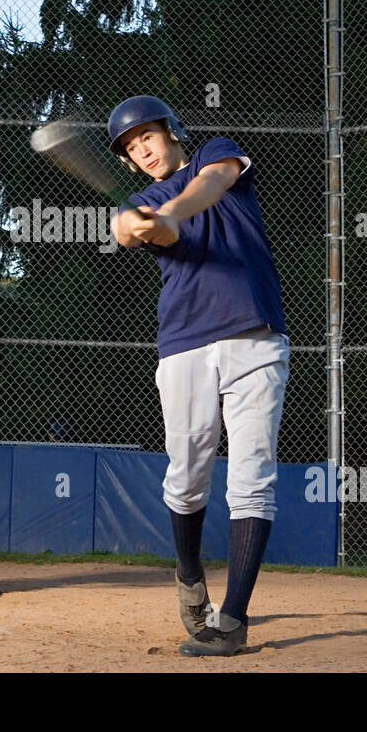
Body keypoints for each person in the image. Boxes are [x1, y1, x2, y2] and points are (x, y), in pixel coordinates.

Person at [107, 95, 290, 657]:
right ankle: (189, 575)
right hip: (184, 343)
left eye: (147, 136)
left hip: (253, 333)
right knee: (187, 473)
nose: (141, 149)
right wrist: (139, 224)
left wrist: (172, 214)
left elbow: (211, 184)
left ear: (172, 131)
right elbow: (128, 230)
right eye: (131, 148)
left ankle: (231, 621)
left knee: (252, 475)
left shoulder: (216, 153)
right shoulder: (143, 199)